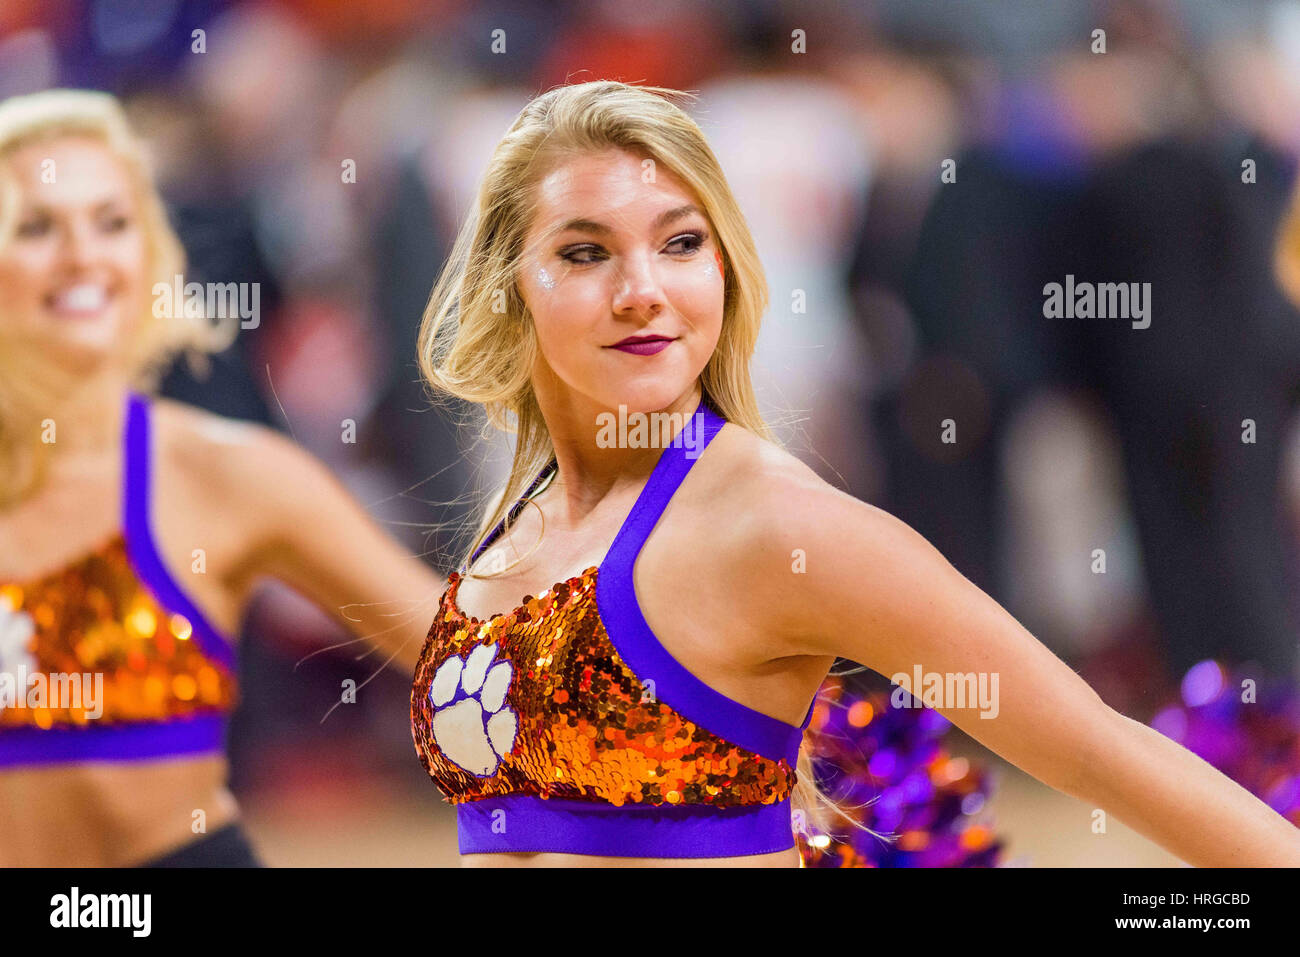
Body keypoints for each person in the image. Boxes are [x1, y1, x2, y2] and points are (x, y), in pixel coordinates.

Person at [409, 79, 1300, 867]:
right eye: (585, 252)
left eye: (681, 243)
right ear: (505, 282)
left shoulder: (777, 525)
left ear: (724, 267)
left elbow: (1099, 750)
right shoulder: (519, 513)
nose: (642, 287)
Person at [0, 89, 440, 867]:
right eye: (37, 226)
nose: (83, 256)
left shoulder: (228, 472)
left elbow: (477, 663)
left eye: (113, 221)